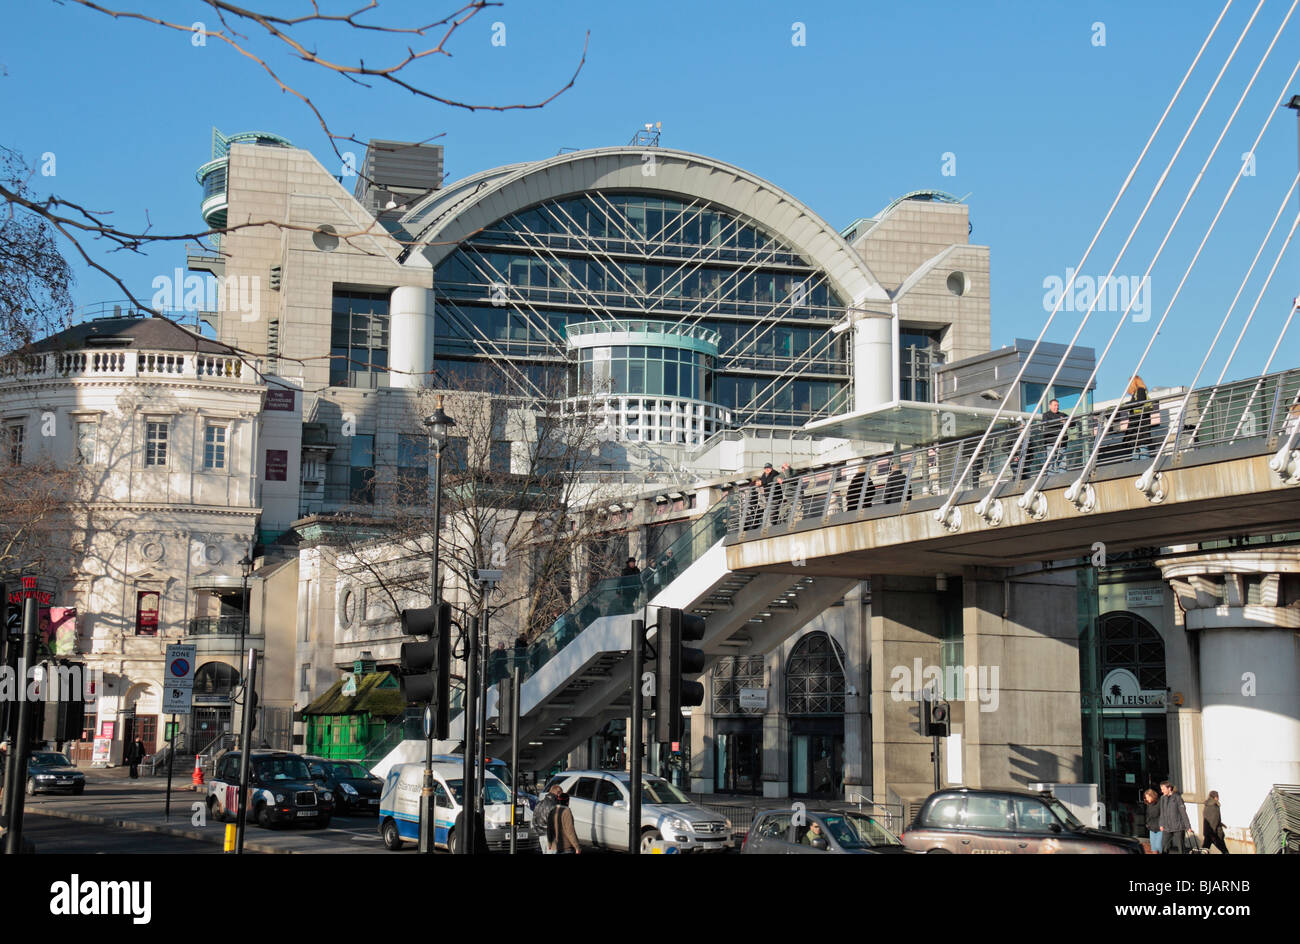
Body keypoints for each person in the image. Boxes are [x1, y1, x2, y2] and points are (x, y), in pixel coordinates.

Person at [1121, 375, 1151, 460]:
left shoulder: (1140, 391)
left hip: (1140, 425)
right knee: (1137, 448)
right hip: (1138, 426)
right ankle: (1136, 465)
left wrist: (1127, 405)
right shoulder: (1137, 393)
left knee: (1142, 447)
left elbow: (1140, 402)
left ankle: (1143, 465)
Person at [1158, 780, 1191, 854]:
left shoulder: (1177, 798)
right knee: (1164, 846)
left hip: (1178, 827)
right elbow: (1162, 812)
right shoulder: (1162, 798)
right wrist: (1161, 824)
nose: (1162, 791)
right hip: (1167, 827)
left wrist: (1188, 826)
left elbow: (1183, 812)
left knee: (1180, 847)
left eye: (1163, 789)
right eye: (1161, 789)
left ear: (1169, 788)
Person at [548, 788, 581, 854]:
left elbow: (549, 829)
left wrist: (549, 843)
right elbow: (570, 830)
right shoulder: (566, 811)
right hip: (566, 846)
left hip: (555, 846)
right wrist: (577, 846)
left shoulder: (552, 810)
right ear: (567, 801)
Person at [1038, 398, 1067, 474]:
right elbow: (1047, 423)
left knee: (1063, 463)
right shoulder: (1046, 415)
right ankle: (1051, 479)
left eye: (1057, 405)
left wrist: (1065, 421)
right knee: (1051, 462)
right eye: (1055, 405)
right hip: (1051, 442)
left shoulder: (1063, 414)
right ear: (1050, 406)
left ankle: (1063, 479)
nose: (1056, 407)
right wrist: (1060, 421)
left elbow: (1073, 423)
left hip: (1062, 443)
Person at [1202, 789, 1229, 854]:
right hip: (1215, 834)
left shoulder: (1207, 805)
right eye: (1218, 796)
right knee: (1225, 851)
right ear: (1215, 797)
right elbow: (1214, 821)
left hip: (1208, 832)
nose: (1218, 798)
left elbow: (1210, 818)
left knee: (1204, 850)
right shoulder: (1215, 806)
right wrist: (1214, 833)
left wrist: (1221, 824)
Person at [1143, 788, 1163, 854]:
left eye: (1148, 797)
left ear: (1152, 796)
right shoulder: (1149, 804)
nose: (1147, 799)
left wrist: (1162, 825)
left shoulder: (1160, 803)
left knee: (1158, 846)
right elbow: (1147, 815)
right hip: (1151, 828)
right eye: (1146, 797)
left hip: (1160, 828)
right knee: (1153, 848)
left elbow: (1163, 815)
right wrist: (1147, 824)